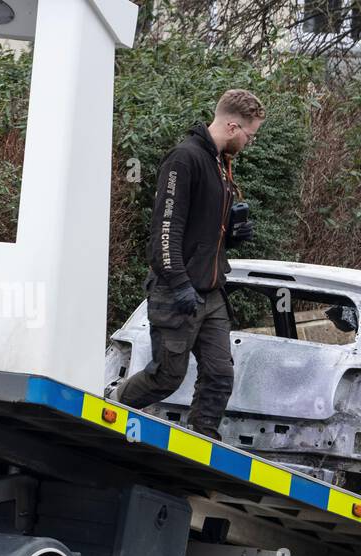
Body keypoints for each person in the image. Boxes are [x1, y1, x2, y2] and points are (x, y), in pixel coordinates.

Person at [114, 89, 265, 440]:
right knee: (167, 376)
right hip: (175, 289)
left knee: (220, 374)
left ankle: (203, 440)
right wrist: (179, 282)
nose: (249, 142)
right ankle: (116, 405)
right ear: (232, 126)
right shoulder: (184, 159)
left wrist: (231, 238)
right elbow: (166, 229)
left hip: (211, 292)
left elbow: (201, 230)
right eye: (249, 135)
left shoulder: (219, 164)